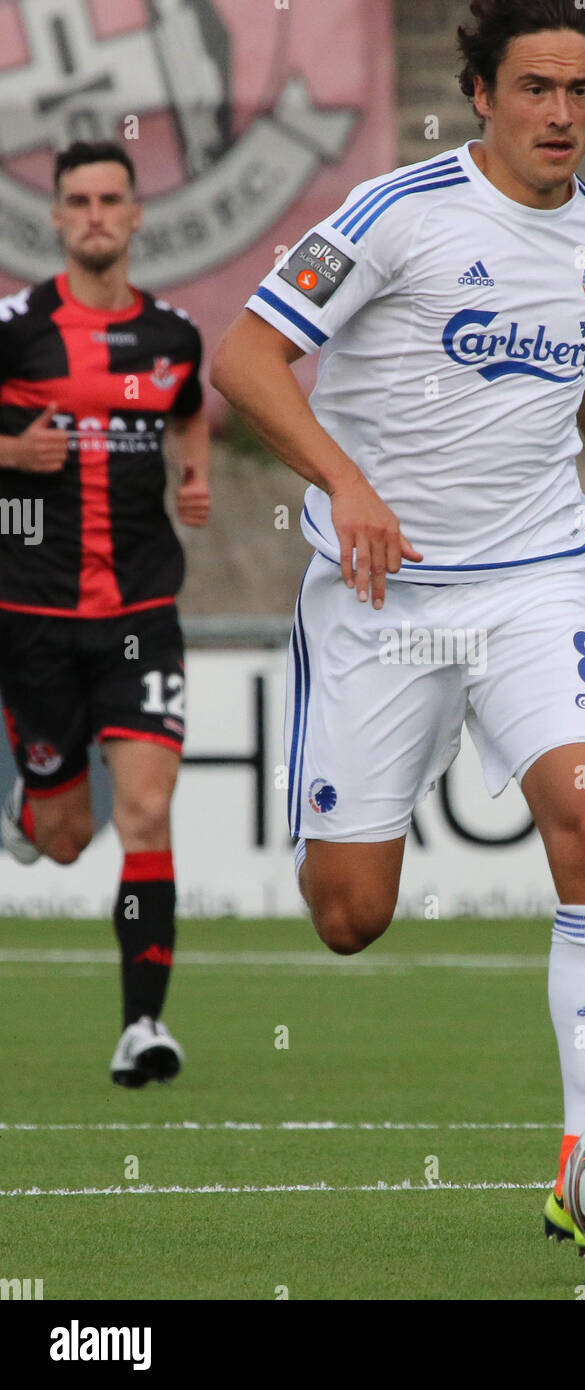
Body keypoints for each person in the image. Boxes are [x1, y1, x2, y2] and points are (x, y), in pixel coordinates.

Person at [210, 0, 585, 1257]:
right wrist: (345, 482)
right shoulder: (399, 213)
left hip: (535, 581)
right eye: (537, 89)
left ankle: (582, 1163)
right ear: (483, 94)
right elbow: (246, 358)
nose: (562, 114)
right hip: (386, 601)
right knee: (349, 915)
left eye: (582, 91)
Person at [0, 140, 210, 1088]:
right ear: (54, 216)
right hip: (32, 614)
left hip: (141, 611)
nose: (93, 214)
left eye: (110, 199)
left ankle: (142, 1029)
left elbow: (187, 405)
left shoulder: (171, 336)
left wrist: (197, 470)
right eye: (77, 199)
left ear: (135, 216)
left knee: (147, 810)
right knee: (64, 838)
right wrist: (10, 459)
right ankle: (29, 794)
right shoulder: (14, 327)